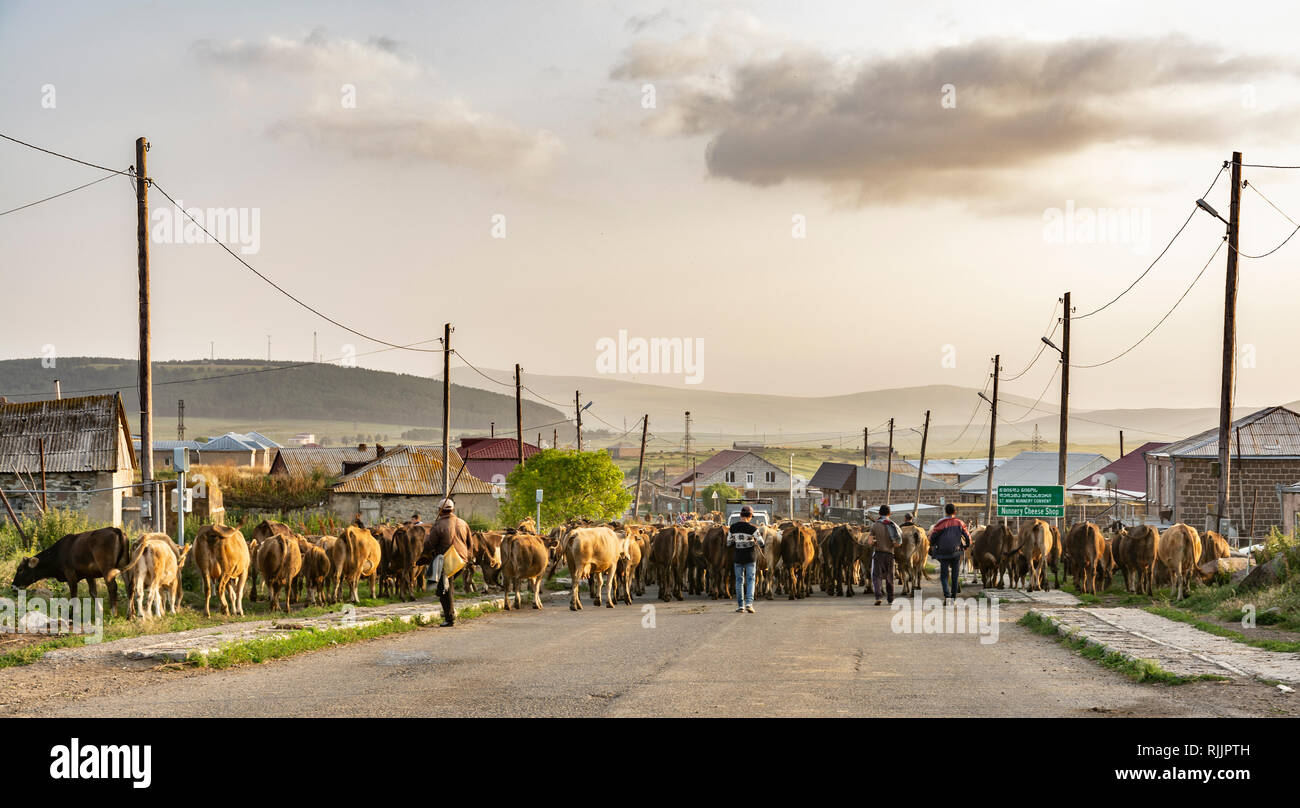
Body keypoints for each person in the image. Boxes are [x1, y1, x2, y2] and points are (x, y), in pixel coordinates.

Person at [425, 498, 471, 627]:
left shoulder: (439, 525)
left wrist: (428, 537)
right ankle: (450, 613)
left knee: (444, 590)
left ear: (440, 510)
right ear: (452, 509)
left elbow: (429, 545)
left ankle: (450, 618)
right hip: (462, 560)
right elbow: (470, 544)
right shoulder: (463, 523)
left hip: (447, 561)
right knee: (447, 587)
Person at [928, 503, 972, 603]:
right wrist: (966, 546)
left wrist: (934, 545)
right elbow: (967, 536)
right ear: (955, 512)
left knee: (944, 576)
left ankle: (947, 596)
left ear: (945, 512)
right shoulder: (960, 522)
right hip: (956, 552)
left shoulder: (940, 523)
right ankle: (953, 598)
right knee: (955, 576)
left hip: (943, 553)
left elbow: (932, 537)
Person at [726, 505, 766, 613]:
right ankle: (749, 604)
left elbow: (728, 543)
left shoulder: (733, 527)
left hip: (738, 557)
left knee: (739, 581)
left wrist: (737, 541)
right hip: (750, 557)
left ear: (740, 515)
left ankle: (741, 606)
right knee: (751, 580)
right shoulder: (753, 528)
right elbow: (762, 543)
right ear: (750, 516)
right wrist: (754, 542)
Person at [868, 505, 902, 605]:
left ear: (879, 513)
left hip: (878, 554)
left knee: (877, 576)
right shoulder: (894, 525)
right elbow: (898, 543)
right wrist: (891, 544)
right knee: (889, 577)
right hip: (890, 554)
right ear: (889, 514)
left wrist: (876, 542)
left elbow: (869, 542)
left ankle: (878, 597)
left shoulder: (875, 525)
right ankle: (890, 599)